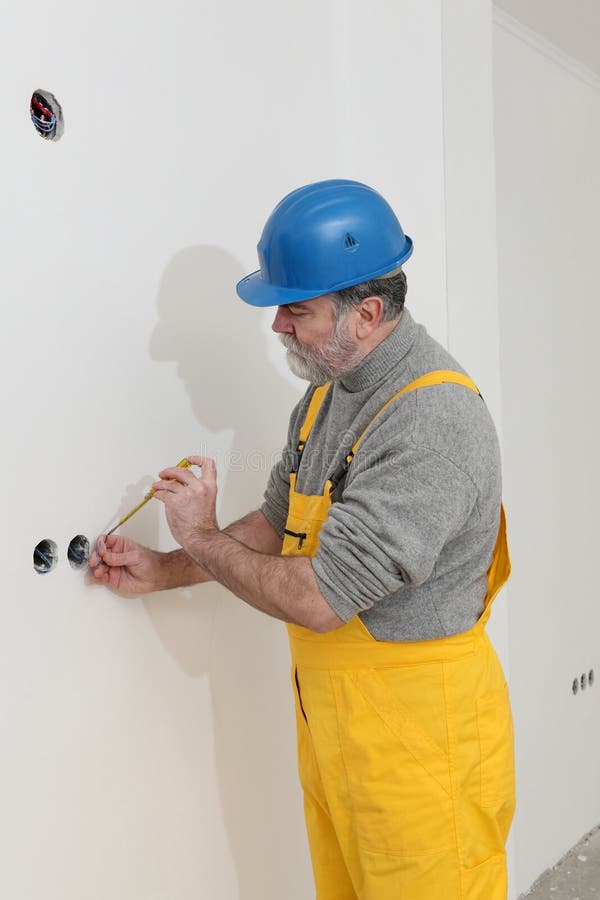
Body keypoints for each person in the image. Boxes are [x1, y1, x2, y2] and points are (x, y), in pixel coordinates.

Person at [91, 179, 515, 899]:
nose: (280, 326)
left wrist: (198, 536)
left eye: (297, 309)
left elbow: (320, 598)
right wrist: (168, 567)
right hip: (339, 734)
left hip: (423, 748)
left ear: (368, 313)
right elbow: (278, 529)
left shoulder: (431, 421)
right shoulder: (325, 396)